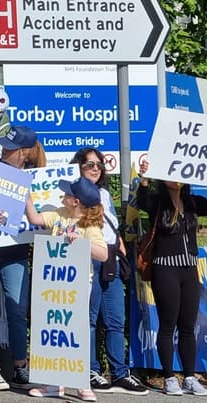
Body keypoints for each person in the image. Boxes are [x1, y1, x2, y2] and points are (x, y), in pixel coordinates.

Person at [134, 174, 207, 396]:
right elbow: (142, 201)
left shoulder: (192, 202)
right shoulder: (157, 202)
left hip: (189, 269)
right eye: (170, 175)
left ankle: (190, 377)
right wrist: (144, 181)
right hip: (166, 269)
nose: (175, 179)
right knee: (167, 324)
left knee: (188, 326)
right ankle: (168, 378)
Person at [24, 176, 109, 401]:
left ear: (76, 201)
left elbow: (103, 254)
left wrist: (81, 243)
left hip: (79, 286)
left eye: (68, 194)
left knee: (76, 333)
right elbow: (34, 217)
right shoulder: (59, 215)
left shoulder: (88, 226)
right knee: (53, 331)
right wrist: (25, 195)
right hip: (52, 286)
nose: (63, 195)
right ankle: (53, 384)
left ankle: (82, 384)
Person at [72, 148, 147, 395]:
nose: (95, 168)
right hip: (86, 258)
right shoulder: (71, 195)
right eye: (89, 164)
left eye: (99, 164)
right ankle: (91, 370)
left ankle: (119, 373)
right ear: (79, 166)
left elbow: (110, 225)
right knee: (89, 321)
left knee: (116, 319)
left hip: (110, 257)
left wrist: (119, 244)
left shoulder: (103, 193)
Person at [0, 126, 39, 390]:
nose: (4, 150)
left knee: (16, 309)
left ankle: (20, 367)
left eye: (10, 147)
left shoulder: (36, 176)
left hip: (16, 248)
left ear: (24, 152)